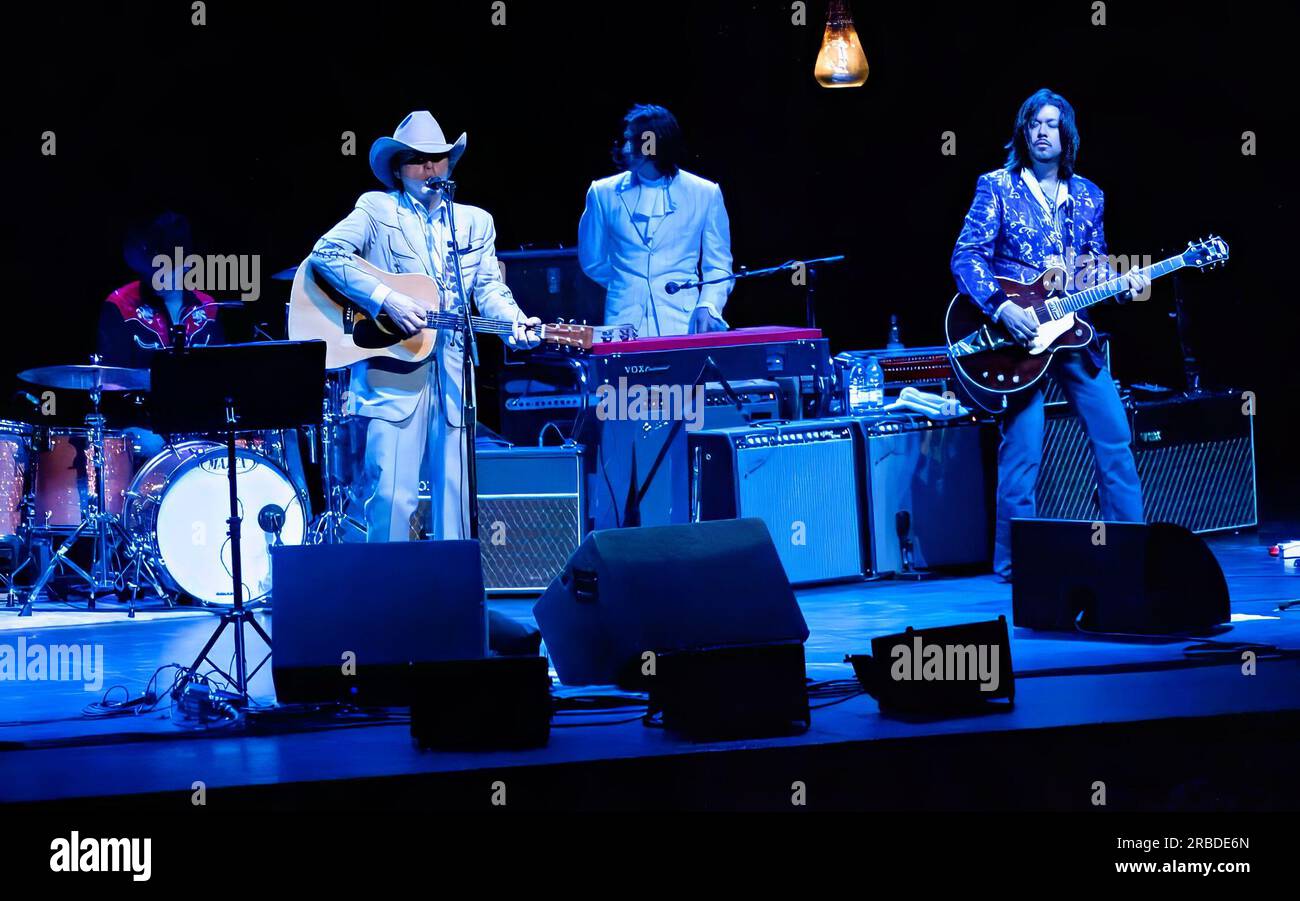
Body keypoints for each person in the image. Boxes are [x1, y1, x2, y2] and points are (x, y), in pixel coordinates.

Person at [309, 111, 541, 543]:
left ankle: (451, 599)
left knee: (455, 495)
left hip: (454, 372)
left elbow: (489, 287)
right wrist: (386, 298)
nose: (429, 167)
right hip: (394, 371)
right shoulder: (377, 209)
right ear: (398, 168)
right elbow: (327, 253)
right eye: (416, 159)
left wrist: (514, 323)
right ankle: (387, 601)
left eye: (438, 158)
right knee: (393, 499)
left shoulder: (475, 221)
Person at [950, 88, 1148, 581]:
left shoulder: (1089, 195)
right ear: (1024, 130)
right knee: (1023, 451)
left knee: (1115, 437)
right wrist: (1001, 306)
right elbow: (967, 256)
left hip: (1075, 336)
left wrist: (1124, 286)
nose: (1042, 132)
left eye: (1052, 124)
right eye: (1034, 123)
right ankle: (1017, 563)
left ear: (1067, 135)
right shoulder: (996, 186)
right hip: (1018, 339)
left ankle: (1132, 543)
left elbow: (1093, 268)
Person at [578, 104, 733, 337]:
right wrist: (627, 285)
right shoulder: (602, 193)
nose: (626, 148)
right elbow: (593, 260)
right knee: (624, 376)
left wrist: (709, 305)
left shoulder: (705, 193)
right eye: (626, 139)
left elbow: (718, 264)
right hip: (624, 324)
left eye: (634, 141)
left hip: (683, 323)